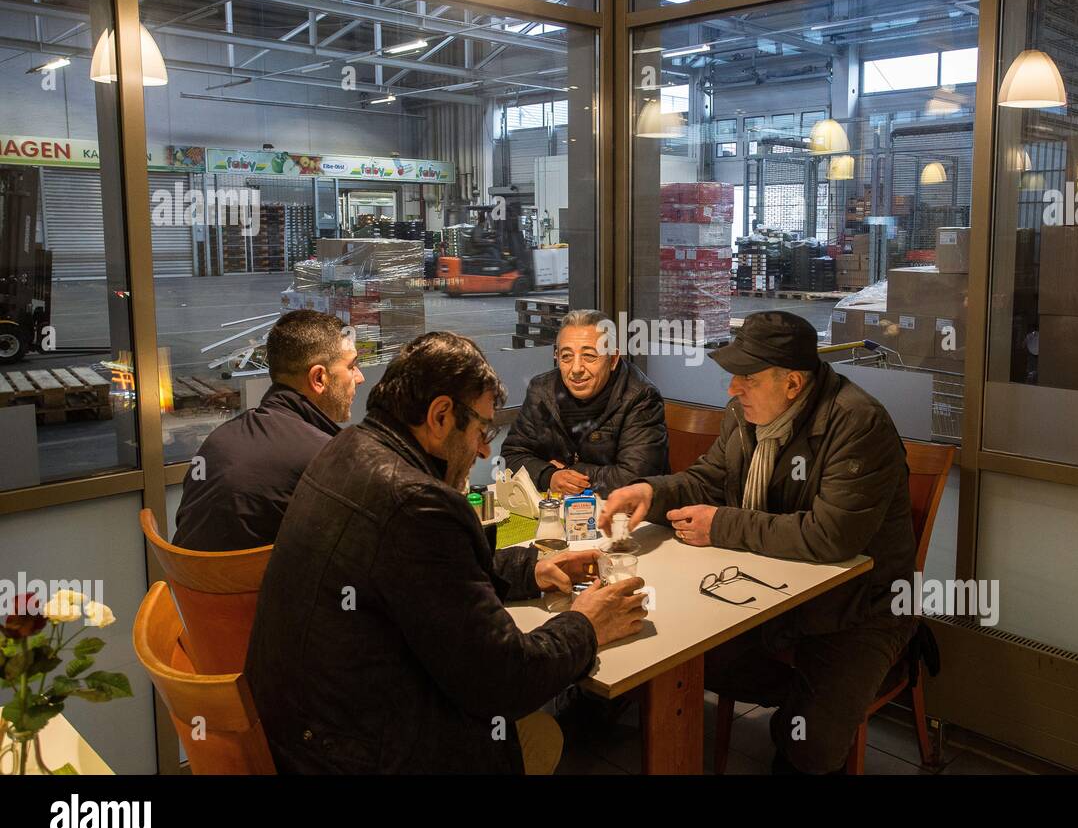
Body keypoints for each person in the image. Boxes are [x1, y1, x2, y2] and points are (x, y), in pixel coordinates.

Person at [245, 331, 648, 774]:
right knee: (536, 733)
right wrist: (586, 624)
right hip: (359, 755)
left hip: (303, 737)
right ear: (440, 416)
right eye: (481, 429)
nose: (483, 450)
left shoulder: (347, 449)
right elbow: (504, 680)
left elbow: (424, 578)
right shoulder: (416, 502)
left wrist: (529, 568)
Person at [601, 310, 917, 774]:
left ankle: (804, 711)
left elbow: (832, 536)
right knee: (662, 652)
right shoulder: (745, 414)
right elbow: (709, 479)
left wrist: (722, 525)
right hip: (770, 589)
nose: (732, 389)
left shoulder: (857, 423)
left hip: (859, 607)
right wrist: (652, 491)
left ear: (792, 383)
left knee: (812, 746)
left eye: (746, 377)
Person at [172, 309, 363, 553]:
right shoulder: (324, 457)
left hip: (186, 585)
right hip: (252, 590)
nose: (359, 377)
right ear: (319, 379)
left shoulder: (223, 437)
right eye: (352, 366)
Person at [501, 309, 669, 496]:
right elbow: (511, 456)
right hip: (562, 506)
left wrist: (570, 471)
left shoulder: (641, 396)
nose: (576, 369)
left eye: (589, 356)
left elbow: (635, 479)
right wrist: (549, 476)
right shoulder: (542, 390)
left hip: (625, 514)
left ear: (612, 359)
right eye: (566, 356)